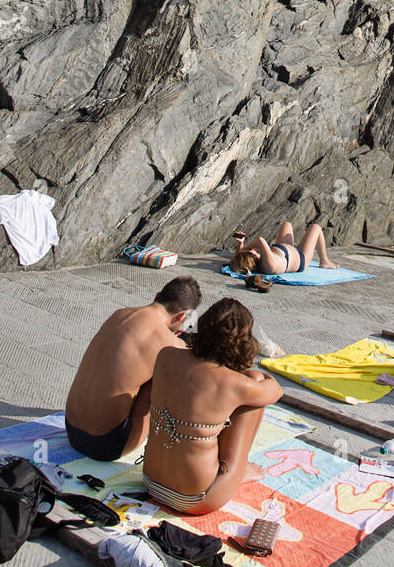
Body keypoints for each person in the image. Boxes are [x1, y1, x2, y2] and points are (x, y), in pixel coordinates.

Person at [142, 298, 282, 515]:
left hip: (151, 483)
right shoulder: (234, 384)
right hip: (198, 500)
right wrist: (251, 375)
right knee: (255, 387)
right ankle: (238, 470)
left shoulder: (166, 355)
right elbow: (275, 391)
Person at [65, 276, 202, 462]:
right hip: (105, 444)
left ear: (158, 295)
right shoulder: (168, 343)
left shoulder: (119, 314)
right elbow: (194, 359)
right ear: (181, 317)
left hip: (71, 429)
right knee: (165, 371)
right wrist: (186, 330)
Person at [229, 220, 339, 277]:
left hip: (283, 250)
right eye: (253, 253)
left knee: (286, 225)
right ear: (254, 257)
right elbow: (260, 240)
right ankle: (324, 261)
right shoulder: (269, 265)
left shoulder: (257, 260)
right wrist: (246, 248)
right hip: (301, 257)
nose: (253, 251)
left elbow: (239, 258)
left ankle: (324, 260)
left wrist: (241, 245)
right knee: (316, 228)